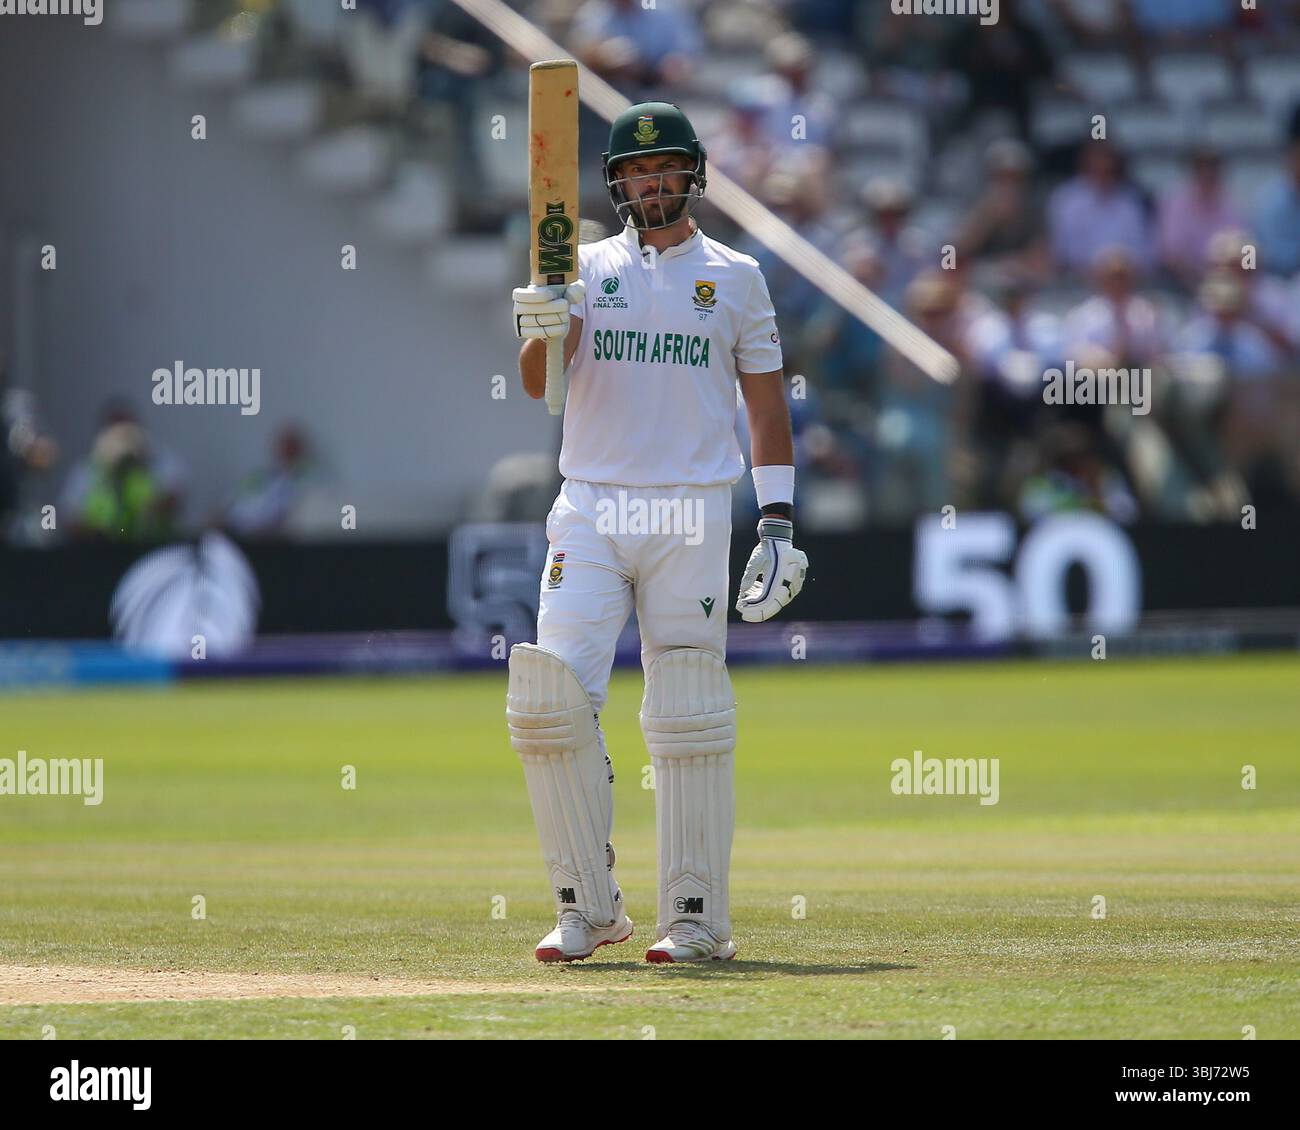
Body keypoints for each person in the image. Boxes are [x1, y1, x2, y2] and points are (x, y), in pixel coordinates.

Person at [508, 102, 808, 964]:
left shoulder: (737, 277)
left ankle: (695, 919)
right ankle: (586, 906)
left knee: (687, 707)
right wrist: (543, 319)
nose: (650, 183)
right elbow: (540, 386)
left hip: (690, 508)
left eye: (664, 168)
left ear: (692, 174)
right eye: (636, 172)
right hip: (593, 504)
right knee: (546, 701)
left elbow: (765, 403)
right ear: (617, 182)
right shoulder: (582, 265)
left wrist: (779, 520)